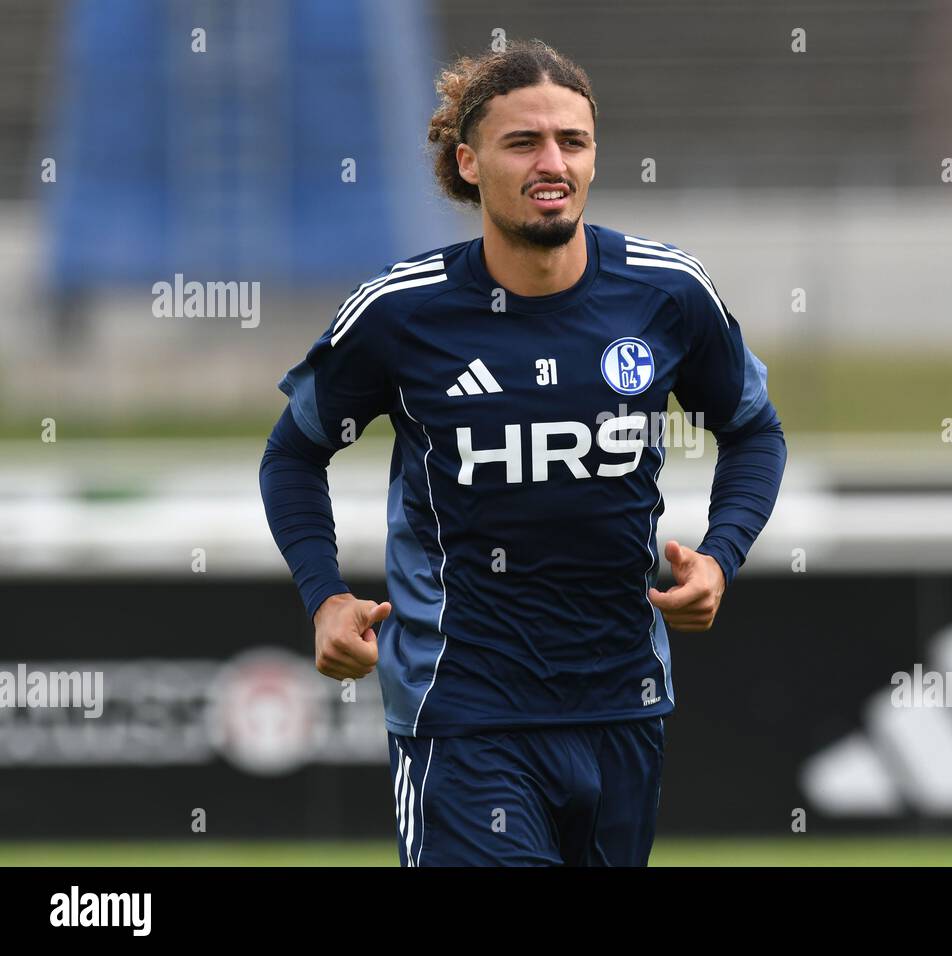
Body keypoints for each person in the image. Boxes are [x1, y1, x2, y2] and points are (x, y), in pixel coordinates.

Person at [259, 38, 786, 866]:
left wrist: (722, 557)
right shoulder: (401, 312)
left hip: (622, 704)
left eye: (572, 142)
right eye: (523, 143)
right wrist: (324, 597)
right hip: (461, 711)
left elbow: (753, 429)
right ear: (468, 163)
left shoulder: (667, 292)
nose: (553, 163)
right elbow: (293, 454)